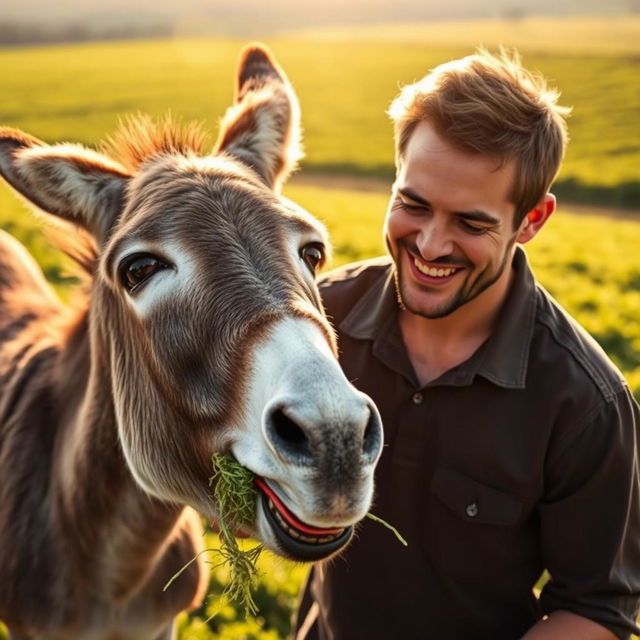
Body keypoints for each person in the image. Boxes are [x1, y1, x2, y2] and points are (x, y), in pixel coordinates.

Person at [293, 49, 640, 640]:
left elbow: (596, 607)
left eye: (470, 224)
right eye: (413, 204)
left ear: (532, 219)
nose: (429, 245)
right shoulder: (316, 320)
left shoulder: (586, 405)